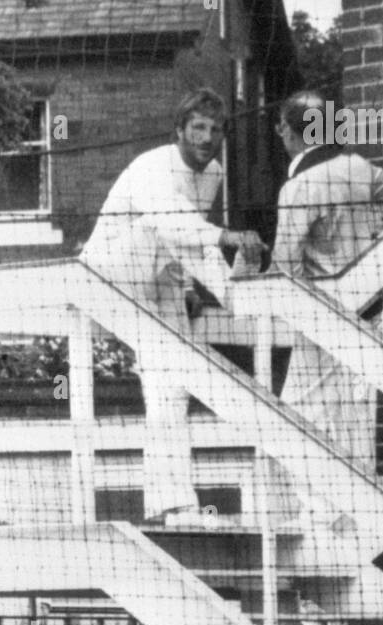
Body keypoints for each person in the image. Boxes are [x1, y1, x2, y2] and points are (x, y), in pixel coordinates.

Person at [81, 88, 265, 520]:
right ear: (179, 131)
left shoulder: (213, 172)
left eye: (215, 130)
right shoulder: (154, 167)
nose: (206, 138)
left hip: (157, 278)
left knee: (172, 382)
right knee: (160, 227)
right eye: (197, 128)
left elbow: (192, 243)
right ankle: (238, 294)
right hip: (104, 275)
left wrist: (230, 275)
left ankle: (170, 502)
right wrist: (225, 237)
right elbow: (174, 223)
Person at [271, 89, 383, 464]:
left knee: (299, 419)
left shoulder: (297, 187)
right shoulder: (359, 167)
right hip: (368, 313)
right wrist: (369, 247)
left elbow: (285, 266)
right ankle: (357, 520)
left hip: (324, 319)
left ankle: (318, 520)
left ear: (286, 129)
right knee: (357, 420)